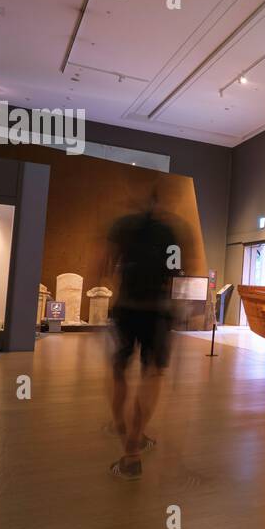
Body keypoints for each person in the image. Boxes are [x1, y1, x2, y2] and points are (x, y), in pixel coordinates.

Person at [103, 191, 182, 479]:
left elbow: (104, 264)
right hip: (157, 311)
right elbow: (178, 272)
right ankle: (134, 446)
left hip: (127, 308)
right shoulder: (170, 230)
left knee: (119, 371)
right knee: (152, 374)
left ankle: (122, 428)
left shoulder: (122, 225)